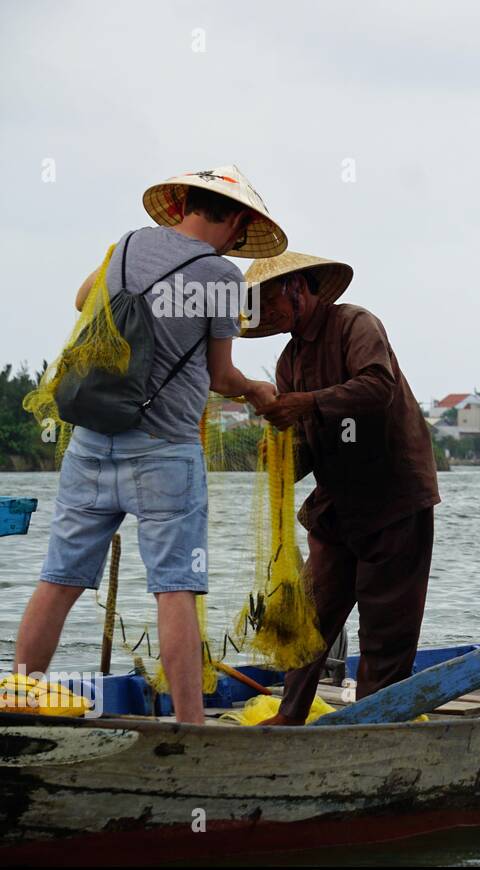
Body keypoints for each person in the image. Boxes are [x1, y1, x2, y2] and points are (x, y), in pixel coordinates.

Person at [12, 166, 284, 724]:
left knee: (58, 579)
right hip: (164, 450)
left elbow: (83, 298)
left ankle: (21, 698)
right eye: (241, 230)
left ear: (182, 202)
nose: (238, 240)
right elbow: (220, 376)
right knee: (175, 589)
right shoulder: (221, 276)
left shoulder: (128, 245)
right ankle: (191, 728)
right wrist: (257, 390)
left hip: (91, 440)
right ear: (236, 220)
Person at [241, 252, 439, 725]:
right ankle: (290, 714)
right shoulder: (290, 360)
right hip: (339, 508)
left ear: (298, 289)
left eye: (269, 301)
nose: (265, 314)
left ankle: (375, 723)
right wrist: (284, 461)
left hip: (392, 497)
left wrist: (305, 403)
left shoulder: (355, 324)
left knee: (385, 626)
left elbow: (376, 389)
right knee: (309, 615)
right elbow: (311, 445)